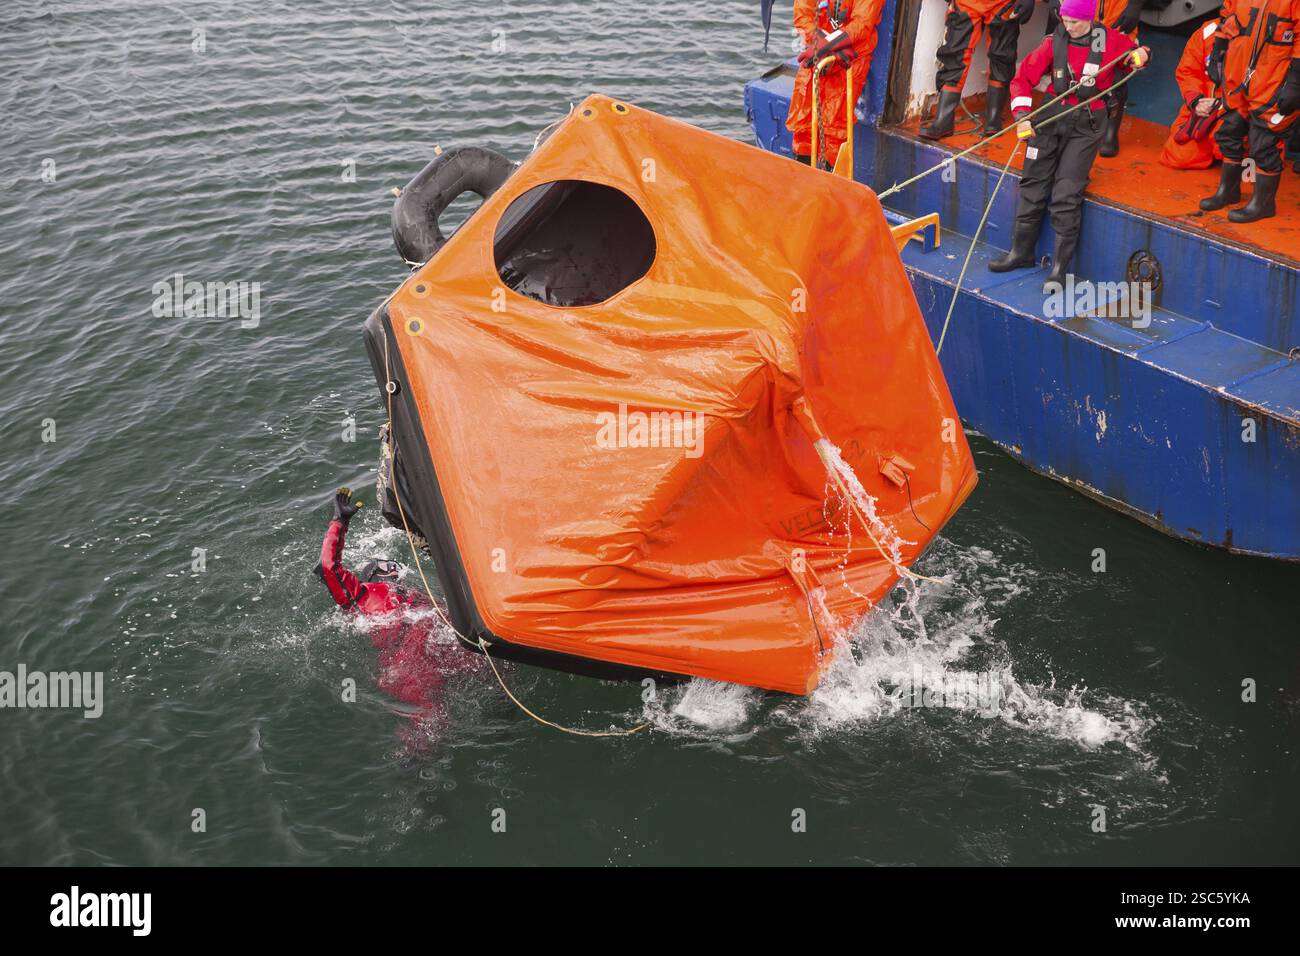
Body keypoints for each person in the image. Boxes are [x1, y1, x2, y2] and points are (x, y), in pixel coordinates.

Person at [990, 0, 1150, 289]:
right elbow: (1022, 80)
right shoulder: (1053, 43)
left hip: (1087, 122)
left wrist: (1139, 54)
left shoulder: (1111, 40)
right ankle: (1021, 252)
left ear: (1088, 19)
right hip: (1052, 114)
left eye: (1074, 21)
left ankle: (1060, 269)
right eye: (1064, 20)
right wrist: (1022, 115)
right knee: (1033, 183)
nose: (1068, 26)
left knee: (1066, 192)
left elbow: (1137, 54)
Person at [316, 486, 457, 708]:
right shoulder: (360, 596)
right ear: (372, 576)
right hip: (408, 663)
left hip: (439, 647)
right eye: (387, 566)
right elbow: (328, 566)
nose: (394, 570)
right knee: (430, 718)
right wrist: (339, 521)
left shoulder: (414, 595)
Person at [1199, 0, 1300, 223]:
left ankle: (1263, 203)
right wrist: (1218, 49)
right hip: (1239, 71)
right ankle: (1229, 190)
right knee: (1230, 128)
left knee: (1263, 141)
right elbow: (1228, 14)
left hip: (1274, 76)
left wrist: (1295, 82)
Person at [786, 0, 887, 168]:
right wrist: (819, 43)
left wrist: (829, 45)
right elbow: (803, 14)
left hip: (851, 56)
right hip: (816, 53)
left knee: (835, 127)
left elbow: (862, 23)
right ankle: (801, 176)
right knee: (803, 119)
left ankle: (829, 181)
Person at [921, 0, 1039, 140]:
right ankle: (943, 119)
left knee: (1002, 56)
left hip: (1004, 4)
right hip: (966, 3)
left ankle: (994, 118)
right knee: (955, 54)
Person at [1159, 19, 1224, 170]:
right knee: (1178, 157)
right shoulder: (1208, 30)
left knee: (1234, 154)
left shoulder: (1259, 36)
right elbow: (1188, 71)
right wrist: (1196, 101)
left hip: (1236, 108)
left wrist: (1225, 104)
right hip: (1204, 104)